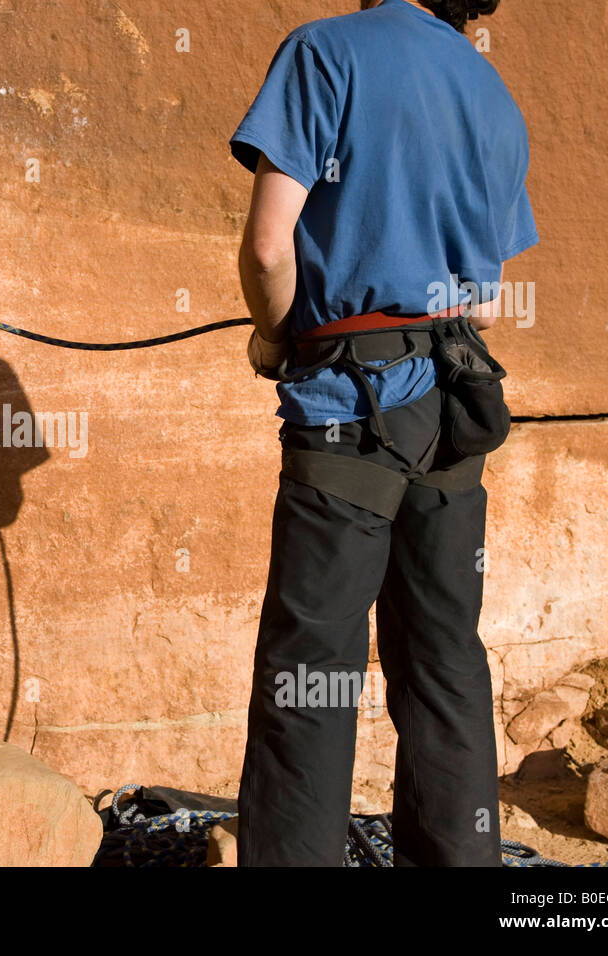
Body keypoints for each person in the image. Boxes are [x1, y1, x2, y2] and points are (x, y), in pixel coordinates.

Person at [230, 0, 538, 865]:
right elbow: (481, 301)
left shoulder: (325, 52)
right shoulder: (491, 91)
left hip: (346, 411)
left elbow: (265, 247)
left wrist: (275, 335)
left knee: (312, 672)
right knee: (445, 661)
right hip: (453, 416)